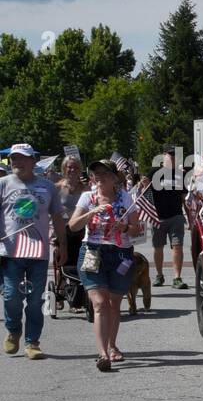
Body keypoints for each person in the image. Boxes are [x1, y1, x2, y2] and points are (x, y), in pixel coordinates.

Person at [67, 159, 144, 372]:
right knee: (100, 303)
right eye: (95, 173)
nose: (98, 177)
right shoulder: (87, 197)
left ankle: (112, 345)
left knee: (114, 304)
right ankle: (102, 354)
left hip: (120, 254)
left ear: (113, 177)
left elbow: (138, 228)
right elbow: (73, 225)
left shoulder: (126, 198)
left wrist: (125, 227)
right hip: (93, 252)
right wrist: (91, 212)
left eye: (103, 173)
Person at [1, 144, 65, 360]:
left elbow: (57, 217)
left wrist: (62, 245)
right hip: (10, 252)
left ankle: (32, 342)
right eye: (13, 159)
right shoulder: (3, 184)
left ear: (33, 161)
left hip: (38, 252)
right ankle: (13, 330)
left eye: (22, 158)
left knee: (36, 300)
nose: (16, 162)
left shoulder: (47, 187)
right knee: (11, 296)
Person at [55, 155, 89, 310]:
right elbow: (51, 212)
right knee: (62, 262)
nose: (72, 169)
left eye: (75, 166)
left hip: (81, 230)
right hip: (62, 230)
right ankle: (59, 292)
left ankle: (76, 297)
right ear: (64, 168)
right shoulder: (57, 188)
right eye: (69, 166)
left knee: (79, 263)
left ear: (80, 169)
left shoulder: (86, 188)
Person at [150, 150, 188, 288]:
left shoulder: (180, 176)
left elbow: (184, 198)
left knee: (177, 246)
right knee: (158, 247)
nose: (172, 159)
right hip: (157, 216)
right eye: (169, 156)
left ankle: (177, 278)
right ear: (163, 159)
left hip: (176, 215)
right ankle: (159, 276)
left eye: (174, 157)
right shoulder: (154, 173)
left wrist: (189, 217)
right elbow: (145, 192)